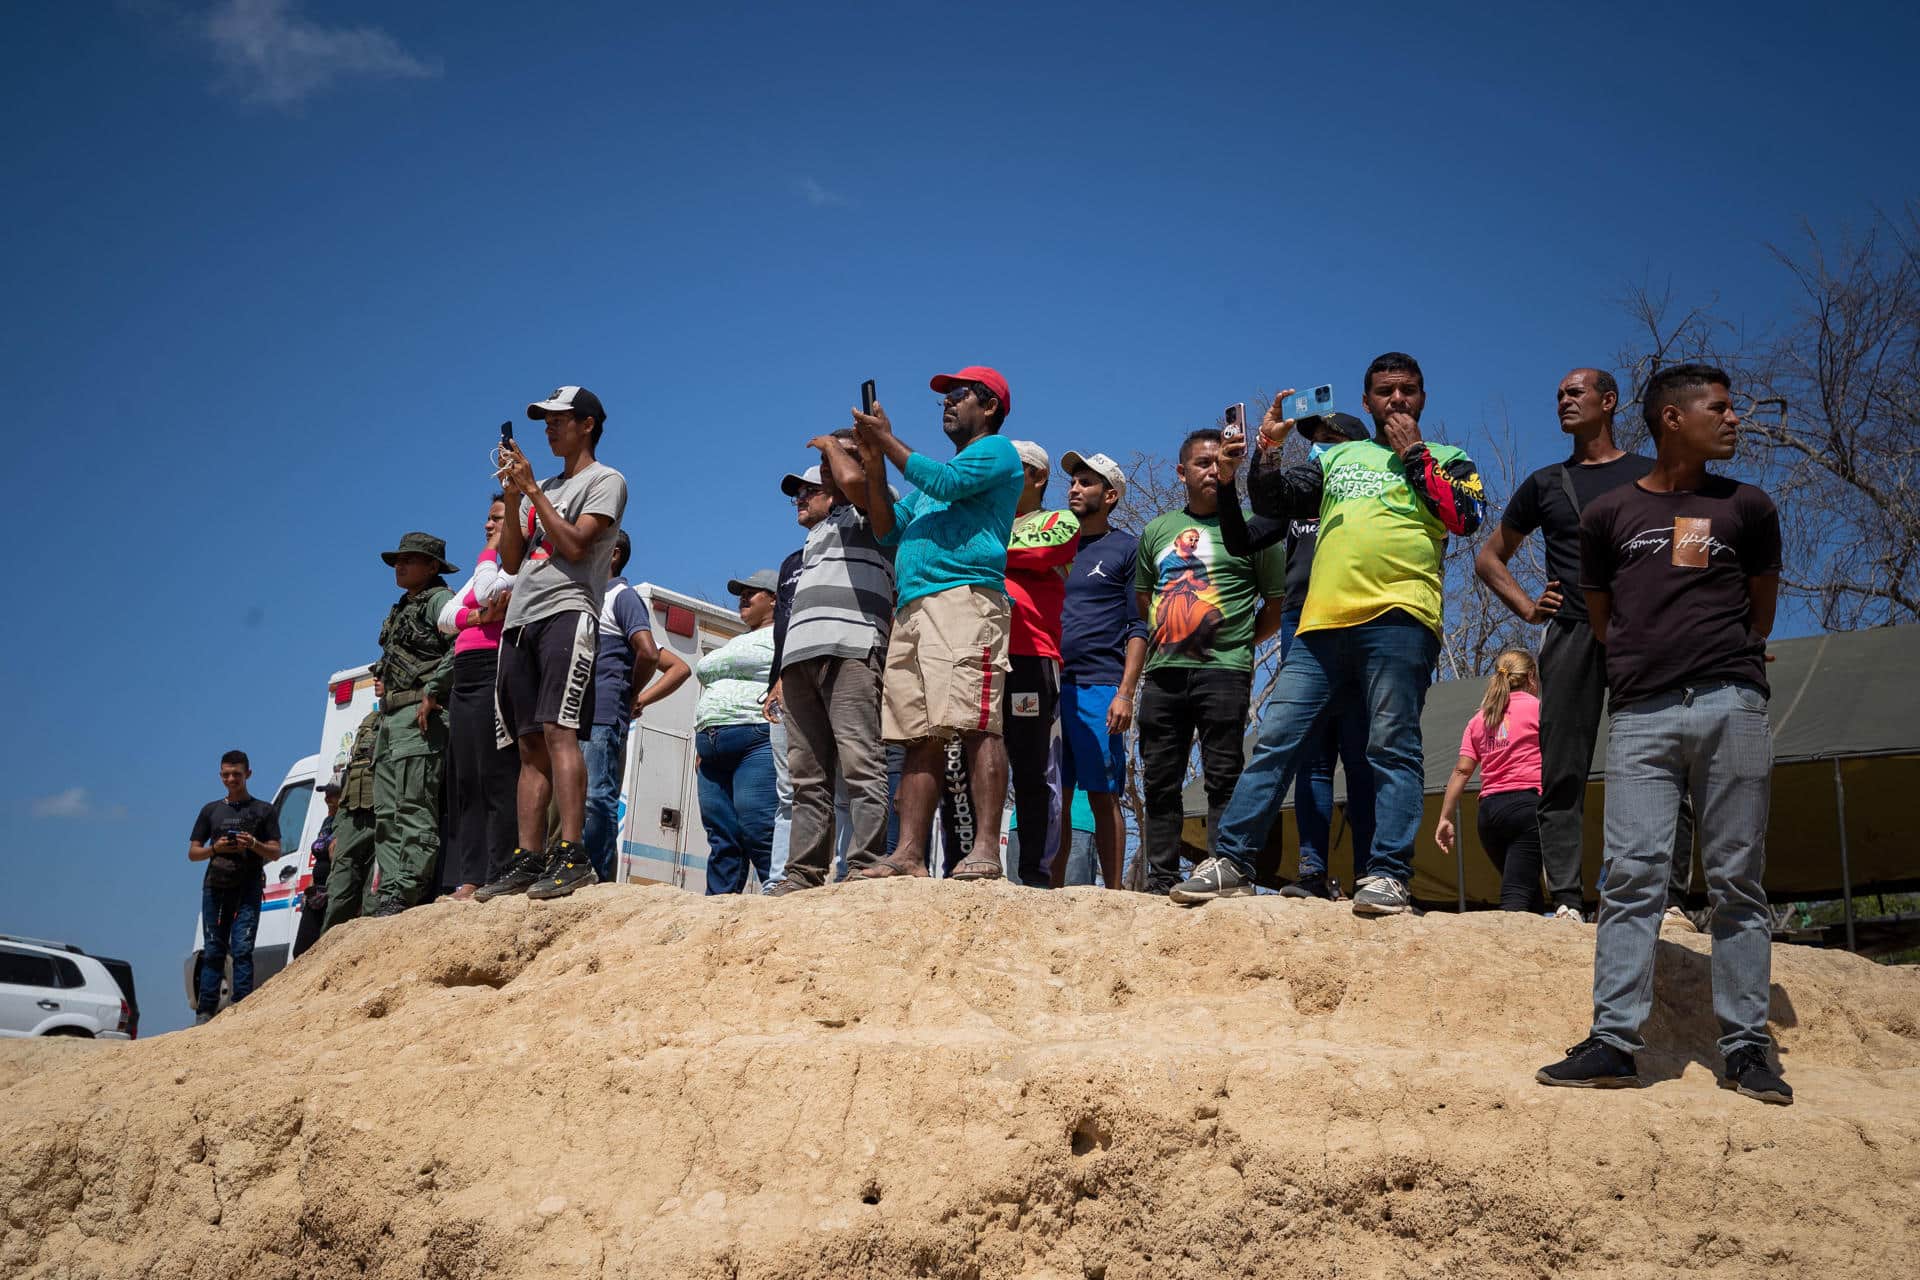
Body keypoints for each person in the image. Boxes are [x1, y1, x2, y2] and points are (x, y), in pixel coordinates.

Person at [1537, 364, 1789, 1104]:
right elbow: (1604, 619)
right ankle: (1614, 1042)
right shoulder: (1607, 515)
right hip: (1641, 716)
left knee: (1738, 877)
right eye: (1721, 407)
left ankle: (1745, 1046)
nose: (1736, 418)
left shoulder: (1751, 505)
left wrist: (1715, 660)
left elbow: (1761, 614)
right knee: (1631, 877)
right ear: (1672, 418)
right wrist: (1652, 666)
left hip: (1732, 704)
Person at [1176, 353, 1486, 916]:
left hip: (1401, 619)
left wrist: (1415, 451)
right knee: (1277, 742)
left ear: (1422, 398)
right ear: (1366, 403)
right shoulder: (1340, 455)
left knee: (1391, 748)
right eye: (1385, 392)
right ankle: (1233, 861)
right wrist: (1268, 450)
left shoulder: (1449, 457)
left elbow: (1466, 516)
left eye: (1408, 391)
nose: (1397, 400)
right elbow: (1271, 506)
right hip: (1319, 624)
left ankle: (1388, 873)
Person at [1474, 367, 1694, 927]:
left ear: (1609, 401)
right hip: (1570, 631)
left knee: (1663, 760)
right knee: (1563, 769)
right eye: (1558, 396)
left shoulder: (1655, 473)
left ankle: (1669, 898)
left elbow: (1694, 549)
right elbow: (1488, 557)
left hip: (1646, 634)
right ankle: (1568, 899)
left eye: (1575, 393)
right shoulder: (1547, 483)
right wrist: (1527, 606)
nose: (1564, 402)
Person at [850, 366, 1024, 882]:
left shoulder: (996, 452)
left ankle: (987, 849)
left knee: (976, 721)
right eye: (943, 398)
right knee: (916, 734)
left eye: (959, 395)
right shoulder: (929, 482)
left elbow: (944, 480)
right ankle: (908, 854)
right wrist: (875, 461)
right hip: (913, 607)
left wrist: (887, 439)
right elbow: (886, 528)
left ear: (989, 406)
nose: (947, 403)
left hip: (966, 601)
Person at [480, 386, 629, 903]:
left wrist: (535, 495)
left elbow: (573, 544)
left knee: (559, 730)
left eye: (559, 419)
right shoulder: (539, 484)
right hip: (522, 618)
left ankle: (573, 852)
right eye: (545, 420)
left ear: (587, 424)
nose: (549, 427)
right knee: (527, 744)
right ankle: (528, 856)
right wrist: (518, 494)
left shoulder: (606, 480)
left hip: (568, 611)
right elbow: (515, 561)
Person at [1132, 430, 1287, 895]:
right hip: (1163, 672)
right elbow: (1144, 598)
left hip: (1225, 671)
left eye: (1219, 463)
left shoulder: (1254, 531)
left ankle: (1227, 873)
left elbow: (1274, 608)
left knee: (1224, 775)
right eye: (1201, 463)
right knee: (1160, 780)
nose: (1211, 471)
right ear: (1181, 472)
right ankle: (1161, 879)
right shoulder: (1157, 531)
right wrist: (1173, 634)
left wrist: (1236, 643)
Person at [767, 432, 898, 894]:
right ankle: (801, 874)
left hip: (854, 647)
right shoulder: (814, 535)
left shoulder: (879, 506)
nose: (809, 488)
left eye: (814, 483)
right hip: (801, 655)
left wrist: (834, 446)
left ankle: (864, 865)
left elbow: (855, 480)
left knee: (861, 763)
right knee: (807, 776)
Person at [1266, 412, 1377, 902]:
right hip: (1300, 619)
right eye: (1314, 442)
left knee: (1361, 755)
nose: (1319, 450)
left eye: (1331, 442)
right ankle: (1311, 870)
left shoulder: (1370, 493)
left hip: (1357, 618)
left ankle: (1372, 873)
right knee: (1310, 756)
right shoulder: (1297, 499)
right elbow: (1249, 526)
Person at [1051, 450, 1147, 890]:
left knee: (1103, 792)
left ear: (1110, 496)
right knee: (1055, 796)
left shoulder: (1128, 547)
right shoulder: (1052, 543)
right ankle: (1048, 891)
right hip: (1048, 683)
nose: (1074, 488)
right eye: (1072, 481)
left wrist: (1125, 692)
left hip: (1099, 685)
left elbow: (1138, 626)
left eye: (1086, 482)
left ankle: (1115, 895)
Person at [1001, 440, 1079, 888]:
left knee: (1033, 768)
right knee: (972, 763)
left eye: (1012, 470)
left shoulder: (1059, 519)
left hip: (1033, 655)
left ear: (1037, 477)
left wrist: (979, 550)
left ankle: (1035, 872)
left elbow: (1042, 554)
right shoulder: (986, 521)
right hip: (978, 655)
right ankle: (975, 863)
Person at [366, 532, 457, 916]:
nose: (400, 567)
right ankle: (390, 889)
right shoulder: (403, 605)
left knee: (412, 804)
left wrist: (434, 689)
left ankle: (406, 891)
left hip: (419, 717)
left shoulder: (440, 600)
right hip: (392, 718)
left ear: (432, 566)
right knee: (387, 812)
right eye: (397, 561)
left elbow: (460, 644)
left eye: (409, 560)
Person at [581, 531, 678, 886]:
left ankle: (596, 875)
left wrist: (631, 694)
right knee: (577, 800)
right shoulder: (587, 598)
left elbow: (650, 653)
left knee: (595, 797)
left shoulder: (622, 597)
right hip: (575, 716)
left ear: (614, 555)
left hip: (603, 713)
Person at [437, 495, 520, 899]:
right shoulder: (485, 569)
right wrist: (478, 617)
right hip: (464, 679)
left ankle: (499, 869)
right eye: (487, 519)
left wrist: (491, 552)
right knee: (465, 779)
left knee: (496, 775)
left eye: (497, 519)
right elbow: (444, 617)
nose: (488, 525)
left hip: (495, 670)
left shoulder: (518, 567)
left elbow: (489, 592)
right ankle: (469, 875)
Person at [1435, 648, 1544, 912]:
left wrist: (1445, 818)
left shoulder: (1478, 719)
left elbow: (1461, 772)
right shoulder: (1539, 708)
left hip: (1489, 816)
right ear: (1531, 677)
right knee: (1517, 893)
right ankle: (1508, 948)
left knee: (1525, 885)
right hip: (1527, 808)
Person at [695, 570, 781, 893]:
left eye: (752, 593)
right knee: (722, 836)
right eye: (740, 594)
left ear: (774, 598)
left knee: (758, 827)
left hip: (755, 739)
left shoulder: (783, 636)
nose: (743, 598)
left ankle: (778, 901)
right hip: (711, 747)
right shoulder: (736, 641)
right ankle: (717, 911)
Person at [187, 750, 282, 1024]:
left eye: (236, 774)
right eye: (226, 774)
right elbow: (193, 853)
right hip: (215, 886)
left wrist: (253, 844)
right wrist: (215, 848)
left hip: (249, 885)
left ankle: (242, 1008)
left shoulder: (263, 810)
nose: (231, 779)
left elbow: (275, 851)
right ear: (220, 775)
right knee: (214, 949)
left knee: (242, 948)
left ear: (248, 774)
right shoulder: (211, 811)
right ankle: (205, 1011)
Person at [322, 706, 379, 929]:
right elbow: (351, 781)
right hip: (352, 821)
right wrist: (338, 830)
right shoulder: (367, 723)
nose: (379, 680)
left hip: (383, 823)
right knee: (339, 897)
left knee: (374, 903)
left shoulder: (404, 718)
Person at [292, 783, 339, 958]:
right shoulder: (327, 822)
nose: (327, 799)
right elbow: (318, 860)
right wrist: (308, 891)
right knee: (301, 952)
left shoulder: (348, 822)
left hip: (333, 892)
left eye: (332, 794)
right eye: (326, 794)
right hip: (315, 894)